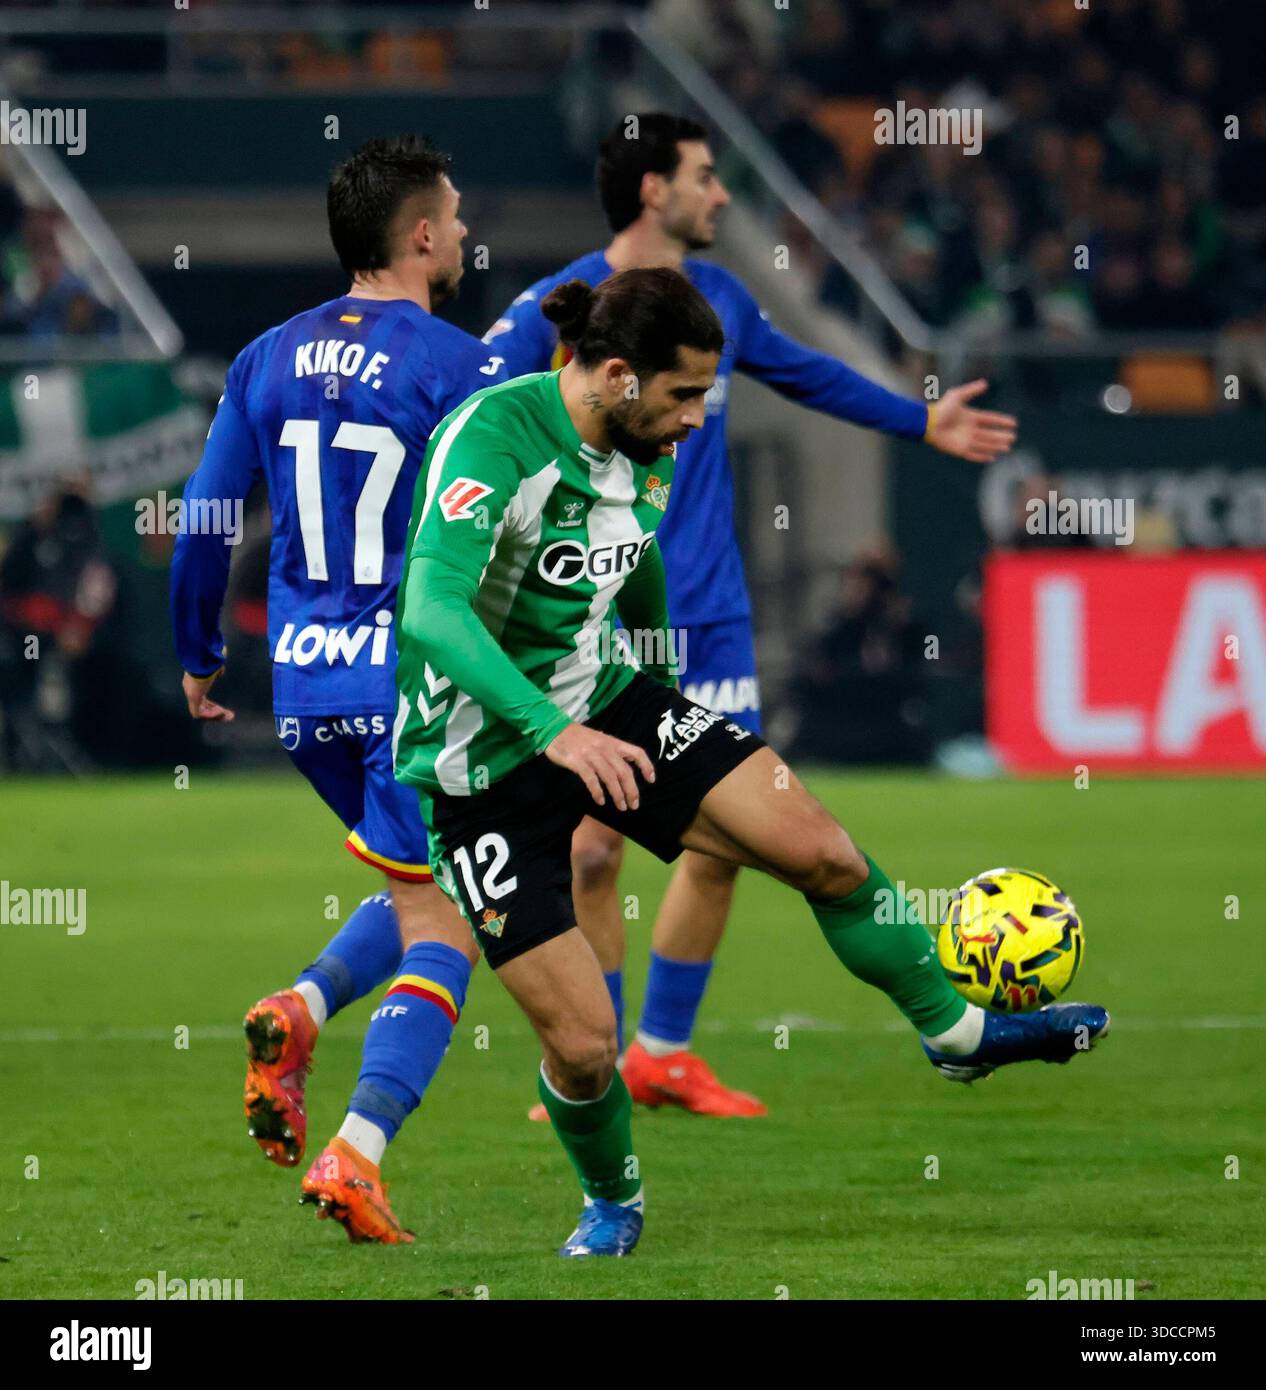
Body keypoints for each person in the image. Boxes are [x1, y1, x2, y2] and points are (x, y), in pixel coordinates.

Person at [315, 267, 1107, 1257]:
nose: (698, 417)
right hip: (482, 770)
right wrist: (555, 734)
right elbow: (431, 611)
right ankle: (613, 1202)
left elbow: (633, 554)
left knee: (824, 853)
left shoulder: (648, 444)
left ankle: (957, 1036)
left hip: (608, 703)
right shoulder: (493, 437)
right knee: (585, 1045)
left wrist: (654, 677)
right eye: (686, 394)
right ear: (612, 374)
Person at [484, 112, 1018, 1118]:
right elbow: (470, 404)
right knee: (593, 846)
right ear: (653, 190)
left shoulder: (721, 296)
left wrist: (919, 418)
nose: (722, 194)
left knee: (722, 845)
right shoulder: (559, 308)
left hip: (713, 618)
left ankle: (662, 1054)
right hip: (596, 627)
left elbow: (807, 373)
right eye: (704, 176)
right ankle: (590, 1054)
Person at [170, 135, 508, 1238]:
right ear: (418, 234)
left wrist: (198, 648)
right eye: (453, 217)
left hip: (308, 697)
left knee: (423, 881)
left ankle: (302, 1006)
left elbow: (208, 521)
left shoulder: (263, 357)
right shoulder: (459, 366)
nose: (462, 234)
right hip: (416, 688)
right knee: (453, 922)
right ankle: (357, 1153)